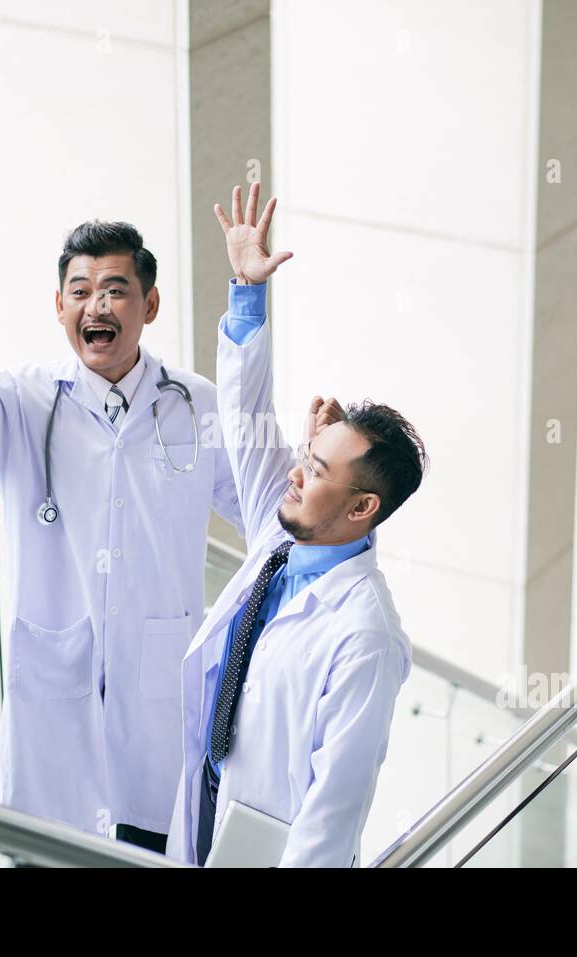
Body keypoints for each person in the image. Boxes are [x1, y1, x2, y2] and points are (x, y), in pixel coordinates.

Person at [0, 187, 242, 851]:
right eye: (80, 290)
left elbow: (262, 505)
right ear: (60, 307)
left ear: (150, 304)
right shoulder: (25, 400)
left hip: (156, 703)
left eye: (116, 289)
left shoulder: (195, 404)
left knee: (155, 844)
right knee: (49, 851)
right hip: (56, 702)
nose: (97, 305)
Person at [166, 185, 428, 867]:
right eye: (304, 457)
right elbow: (246, 423)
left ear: (362, 507)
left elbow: (331, 817)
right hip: (202, 809)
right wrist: (247, 295)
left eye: (313, 465)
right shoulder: (281, 542)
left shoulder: (366, 636)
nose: (293, 470)